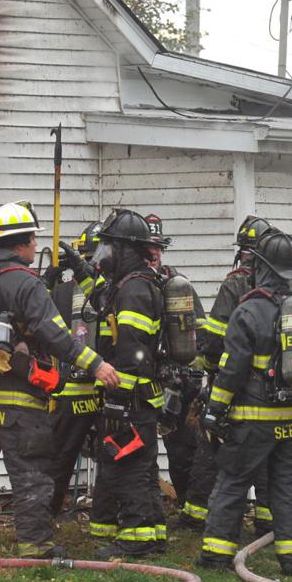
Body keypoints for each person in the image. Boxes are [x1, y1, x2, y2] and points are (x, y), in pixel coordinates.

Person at [0, 201, 118, 557]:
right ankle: (36, 545)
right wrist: (96, 364)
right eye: (33, 239)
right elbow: (55, 335)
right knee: (31, 473)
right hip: (16, 400)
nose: (36, 245)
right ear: (20, 244)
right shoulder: (26, 283)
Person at [198, 230, 292, 575]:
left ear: (260, 268)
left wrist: (214, 411)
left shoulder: (248, 311)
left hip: (254, 421)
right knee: (287, 484)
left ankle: (216, 555)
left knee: (233, 480)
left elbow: (231, 370)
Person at [88, 208, 184, 559]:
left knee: (128, 464)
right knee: (142, 465)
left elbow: (132, 351)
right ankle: (153, 531)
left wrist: (118, 400)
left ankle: (136, 538)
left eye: (109, 248)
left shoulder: (135, 290)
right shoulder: (131, 284)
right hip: (140, 396)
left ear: (126, 249)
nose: (104, 256)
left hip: (131, 396)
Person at [180, 215, 275, 532]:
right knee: (268, 456)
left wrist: (214, 379)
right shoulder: (291, 286)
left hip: (235, 386)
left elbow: (215, 338)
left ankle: (198, 516)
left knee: (212, 451)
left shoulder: (235, 283)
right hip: (277, 391)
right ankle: (268, 523)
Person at [142, 214, 206, 516]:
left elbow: (201, 330)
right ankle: (142, 510)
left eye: (157, 247)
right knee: (138, 449)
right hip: (141, 379)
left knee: (184, 449)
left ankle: (185, 506)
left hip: (176, 381)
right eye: (148, 247)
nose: (153, 253)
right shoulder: (132, 286)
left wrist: (194, 372)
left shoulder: (178, 284)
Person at [46, 221, 104, 515]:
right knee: (112, 457)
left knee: (60, 458)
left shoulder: (62, 288)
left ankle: (48, 512)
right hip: (103, 389)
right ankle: (110, 514)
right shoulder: (113, 291)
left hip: (72, 393)